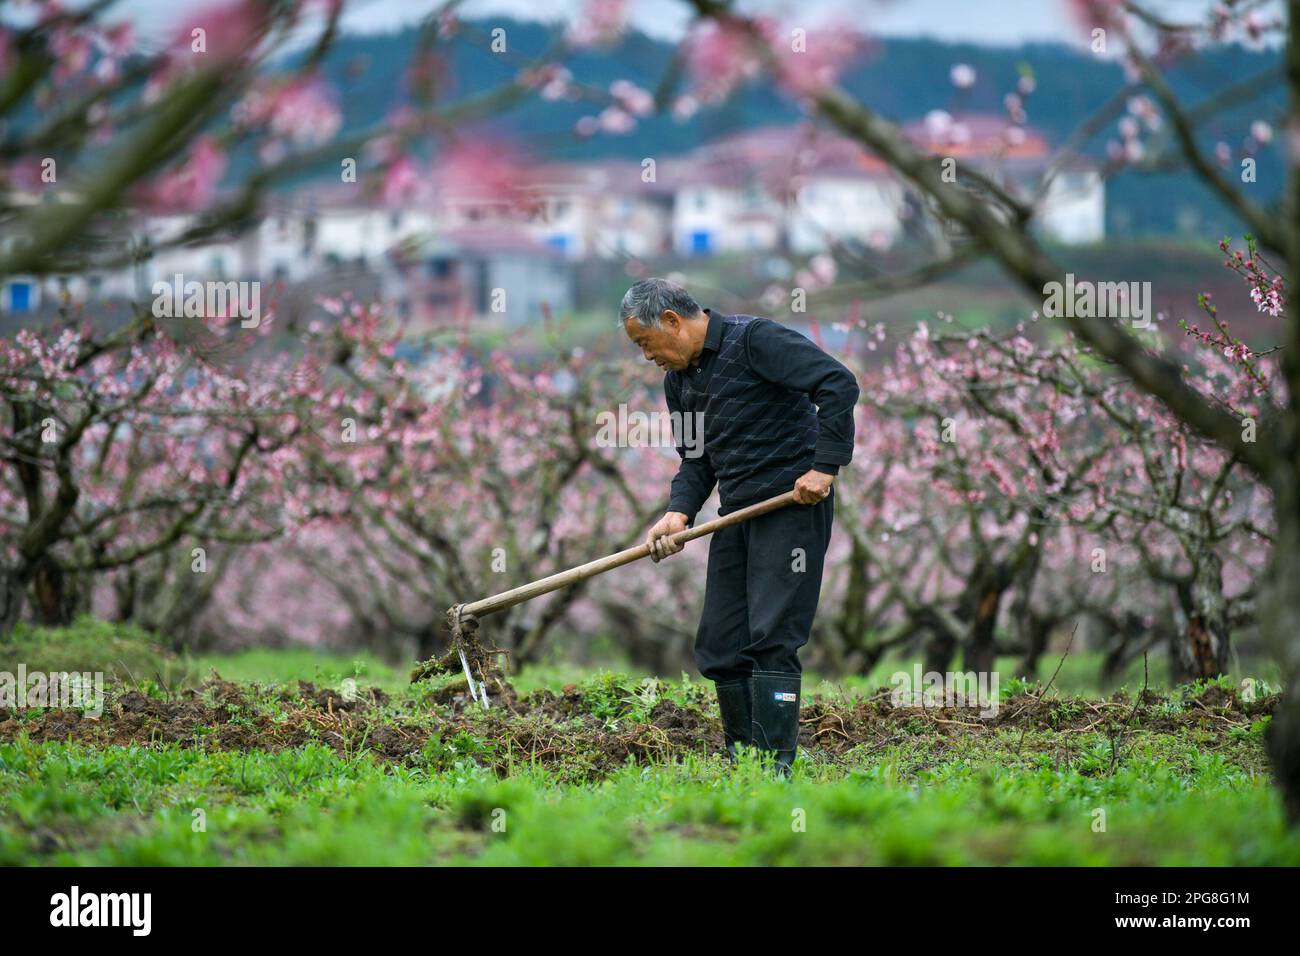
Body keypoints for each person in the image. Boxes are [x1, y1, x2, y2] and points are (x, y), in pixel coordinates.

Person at [619, 277, 859, 774]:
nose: (647, 356)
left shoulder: (755, 341)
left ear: (672, 321)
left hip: (791, 508)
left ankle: (774, 769)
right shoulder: (679, 382)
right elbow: (696, 459)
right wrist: (678, 511)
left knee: (772, 636)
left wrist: (825, 467)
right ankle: (744, 761)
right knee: (720, 643)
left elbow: (837, 383)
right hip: (737, 514)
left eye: (645, 343)